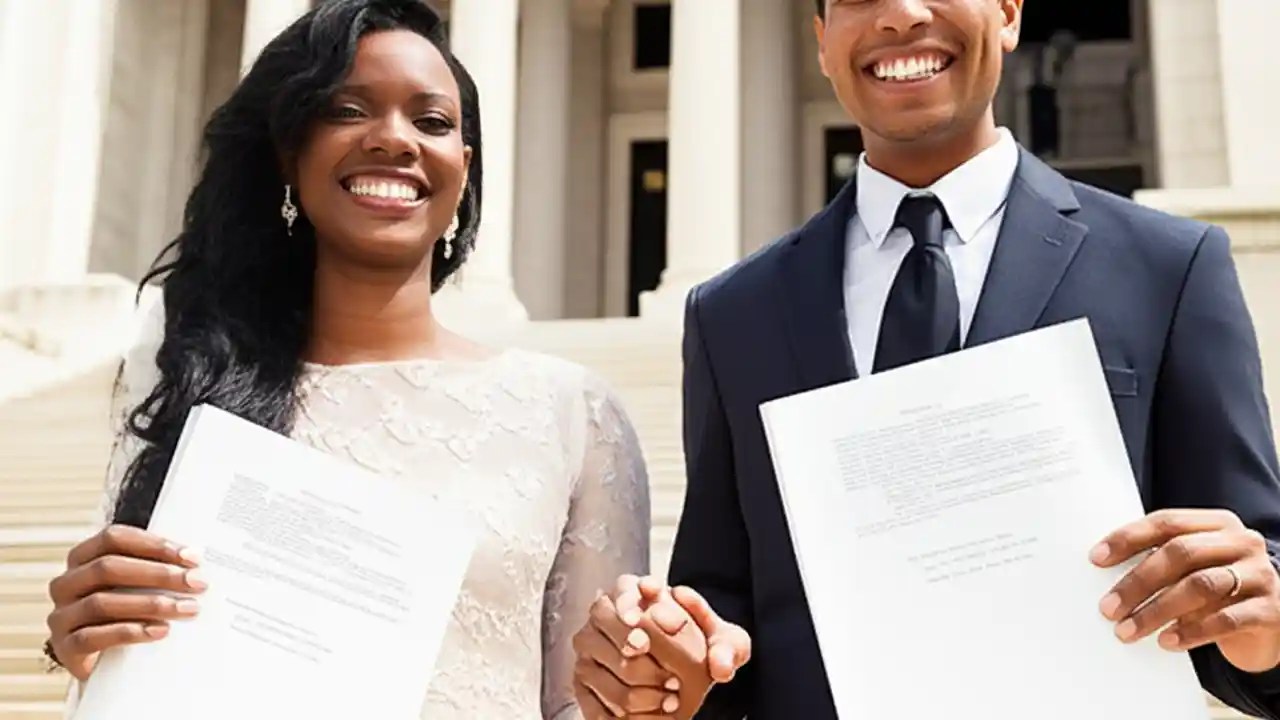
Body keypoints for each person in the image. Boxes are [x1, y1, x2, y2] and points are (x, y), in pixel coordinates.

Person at [573, 1, 1280, 718]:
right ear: (822, 40)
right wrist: (670, 663)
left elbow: (1255, 577)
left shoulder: (1170, 269)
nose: (902, 14)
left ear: (1007, 13)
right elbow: (724, 611)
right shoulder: (732, 315)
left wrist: (1265, 621)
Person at [41, 2, 651, 718]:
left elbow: (587, 704)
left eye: (432, 122)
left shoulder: (573, 414)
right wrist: (93, 642)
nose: (394, 138)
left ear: (463, 168)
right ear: (289, 155)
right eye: (347, 109)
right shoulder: (190, 391)